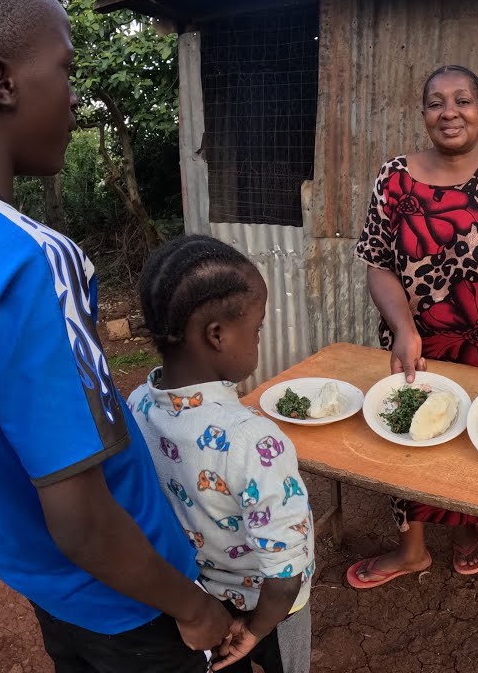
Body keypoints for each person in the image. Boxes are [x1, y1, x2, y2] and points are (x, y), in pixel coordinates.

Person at [0, 0, 231, 671]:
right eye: (65, 70)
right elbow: (82, 515)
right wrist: (193, 608)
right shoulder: (29, 259)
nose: (74, 97)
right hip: (131, 597)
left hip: (42, 582)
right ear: (3, 82)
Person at [348, 65, 478, 588]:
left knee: (475, 440)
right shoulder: (393, 178)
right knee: (407, 436)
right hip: (412, 342)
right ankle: (412, 548)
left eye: (463, 101)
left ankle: (468, 530)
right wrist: (403, 328)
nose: (449, 112)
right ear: (423, 114)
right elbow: (379, 264)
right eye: (436, 102)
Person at [130, 235, 315, 673]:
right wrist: (255, 629)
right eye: (256, 328)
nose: (257, 339)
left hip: (199, 600)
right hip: (270, 608)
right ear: (217, 335)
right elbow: (285, 573)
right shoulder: (253, 441)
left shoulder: (137, 404)